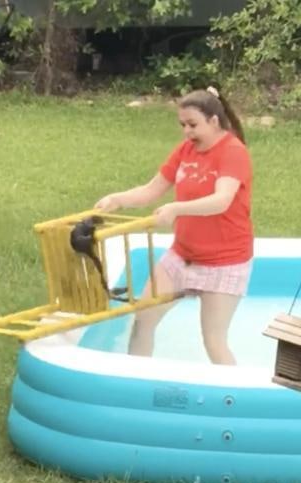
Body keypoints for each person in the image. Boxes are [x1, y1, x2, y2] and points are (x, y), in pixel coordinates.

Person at [94, 86, 253, 365]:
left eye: (193, 125)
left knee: (214, 341)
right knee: (143, 321)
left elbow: (222, 200)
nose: (186, 132)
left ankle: (237, 401)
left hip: (224, 262)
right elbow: (152, 190)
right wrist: (117, 199)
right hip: (181, 256)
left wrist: (177, 209)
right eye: (182, 125)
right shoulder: (186, 150)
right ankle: (136, 384)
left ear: (214, 121)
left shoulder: (233, 152)